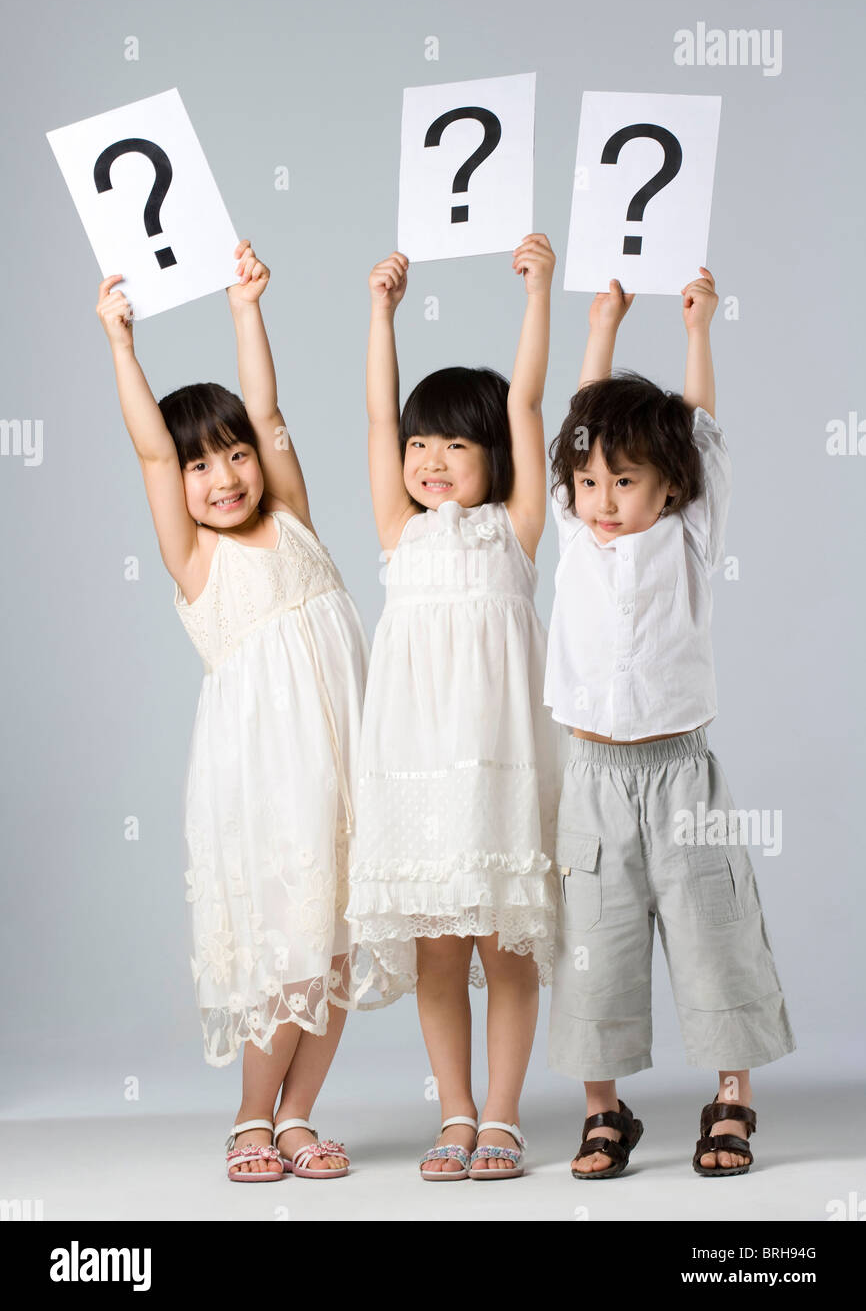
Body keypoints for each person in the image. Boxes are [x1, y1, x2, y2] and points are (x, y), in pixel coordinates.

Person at [96, 241, 369, 1181]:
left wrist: (247, 308)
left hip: (351, 759)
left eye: (234, 454)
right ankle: (253, 1116)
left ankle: (300, 1117)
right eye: (198, 467)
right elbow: (146, 443)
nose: (224, 477)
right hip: (268, 776)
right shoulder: (196, 562)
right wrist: (121, 343)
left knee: (342, 941)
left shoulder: (291, 514)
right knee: (291, 944)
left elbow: (271, 408)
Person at [545, 269, 795, 1178]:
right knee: (594, 944)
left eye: (626, 479)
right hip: (594, 777)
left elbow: (705, 432)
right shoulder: (575, 533)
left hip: (682, 772)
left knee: (712, 929)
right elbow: (581, 415)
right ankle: (604, 1110)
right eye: (591, 479)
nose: (605, 497)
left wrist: (697, 330)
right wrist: (603, 321)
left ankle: (734, 1094)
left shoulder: (690, 534)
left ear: (670, 486)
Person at [345, 235, 566, 1180]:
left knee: (502, 942)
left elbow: (525, 401)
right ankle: (457, 1113)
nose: (431, 458)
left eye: (456, 444)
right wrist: (382, 315)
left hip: (495, 759)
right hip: (415, 764)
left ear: (495, 461)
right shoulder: (400, 536)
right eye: (421, 443)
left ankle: (506, 1116)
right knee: (439, 947)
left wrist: (538, 295)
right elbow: (372, 417)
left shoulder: (515, 535)